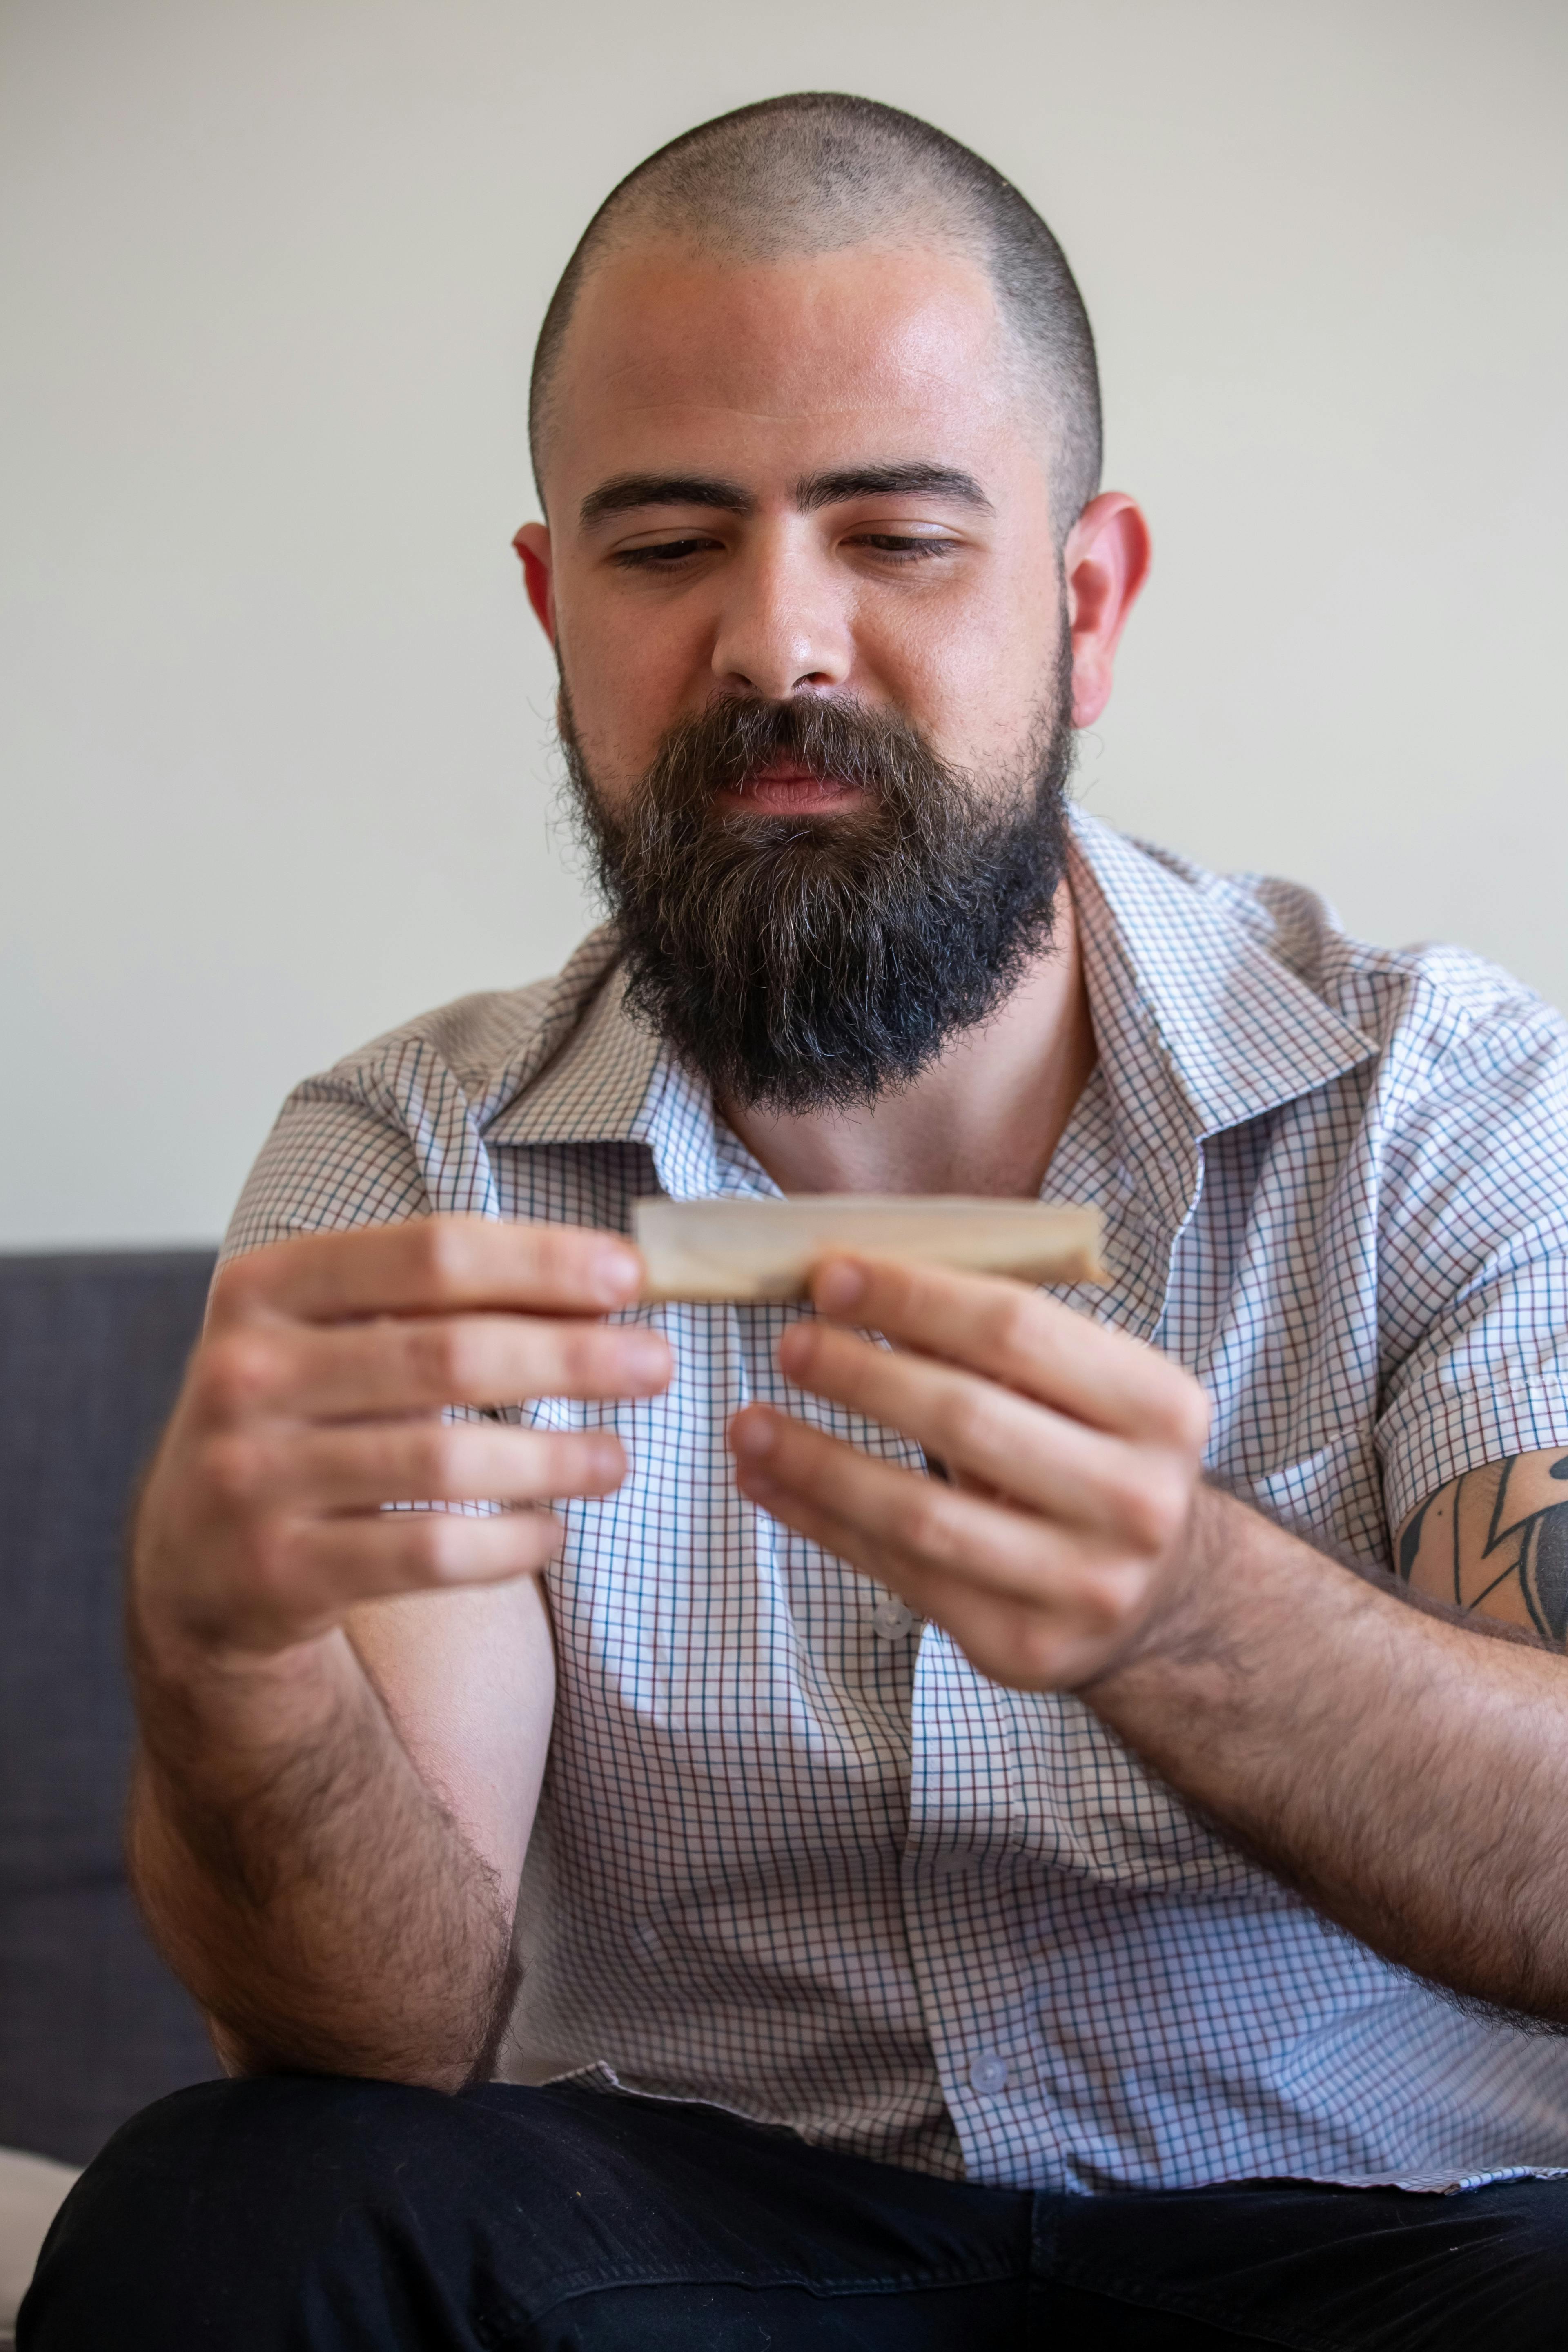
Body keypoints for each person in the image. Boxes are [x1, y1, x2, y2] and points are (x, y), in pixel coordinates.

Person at [22, 91, 1568, 2352]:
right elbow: (376, 2027)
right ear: (555, 613)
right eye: (668, 547)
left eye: (897, 536)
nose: (779, 642)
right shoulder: (410, 1163)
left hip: (1390, 2242)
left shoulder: (1447, 1106)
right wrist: (217, 1667)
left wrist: (1189, 1615)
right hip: (715, 2248)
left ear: (1087, 602)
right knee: (238, 2212)